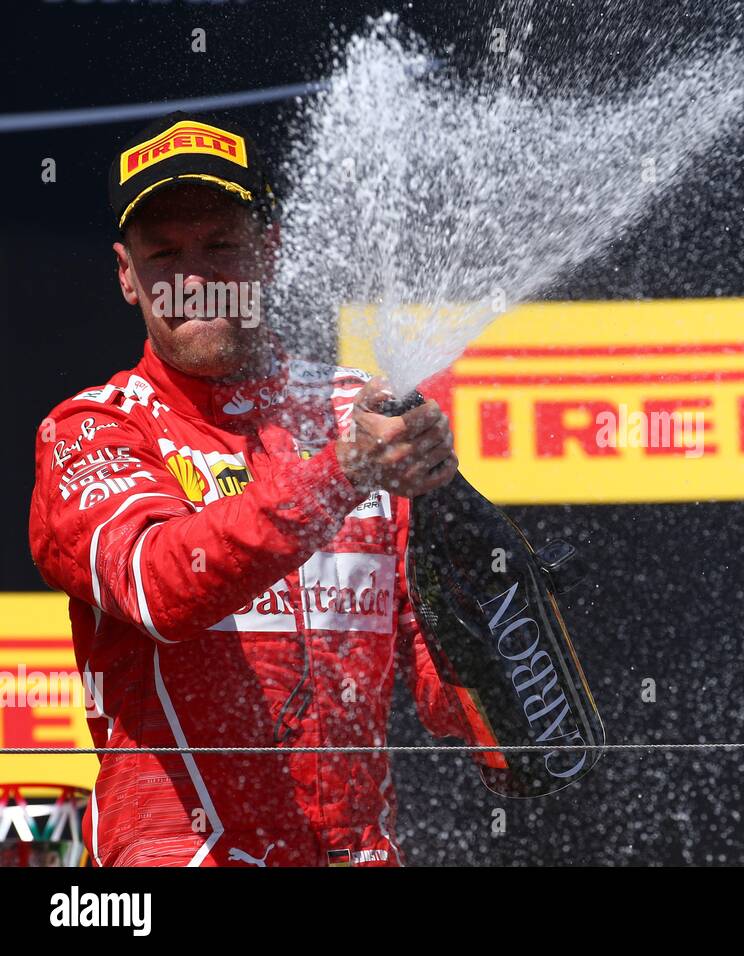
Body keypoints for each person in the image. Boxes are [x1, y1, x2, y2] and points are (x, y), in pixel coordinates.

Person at [28, 112, 493, 867]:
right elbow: (161, 585)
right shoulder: (92, 430)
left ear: (269, 253)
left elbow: (440, 666)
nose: (195, 279)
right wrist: (342, 472)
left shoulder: (360, 412)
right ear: (125, 274)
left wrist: (503, 695)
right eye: (164, 254)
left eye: (220, 247)